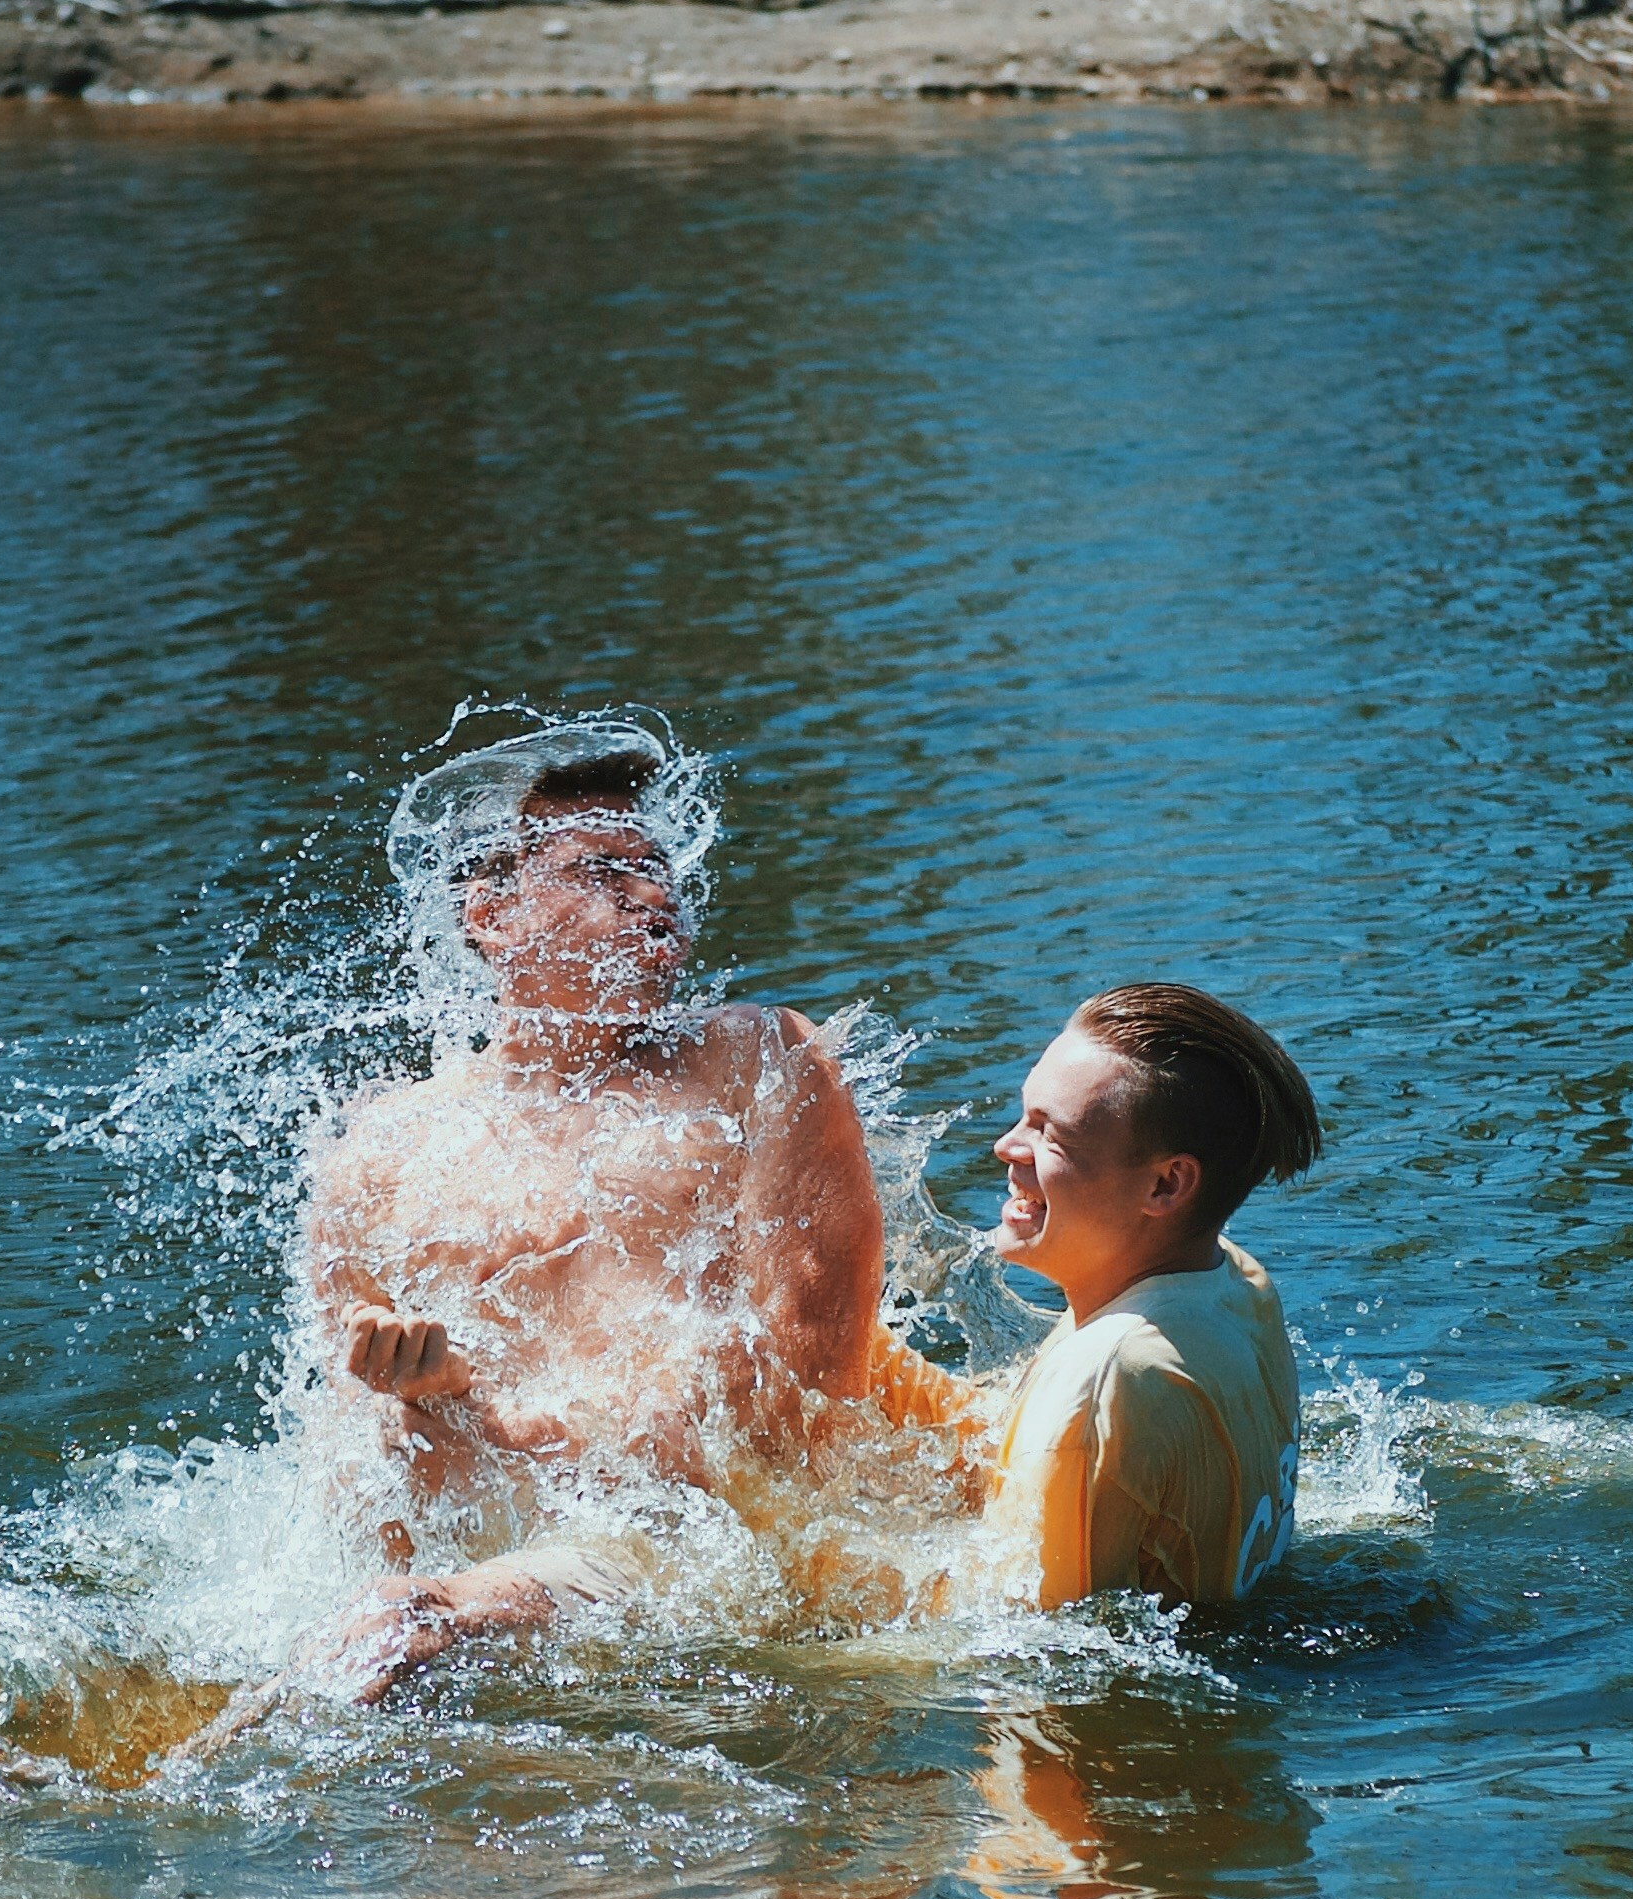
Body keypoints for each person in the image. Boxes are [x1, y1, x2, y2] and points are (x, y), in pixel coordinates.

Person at [245, 726, 888, 1704]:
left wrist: (499, 1415)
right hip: (472, 1578)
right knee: (346, 1624)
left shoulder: (756, 1064)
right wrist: (418, 1393)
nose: (651, 892)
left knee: (402, 1624)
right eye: (603, 870)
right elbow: (347, 1481)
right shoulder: (379, 1151)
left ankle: (82, 1792)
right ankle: (54, 1774)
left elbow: (803, 1406)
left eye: (656, 866)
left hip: (693, 1546)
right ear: (493, 914)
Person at [873, 982, 1318, 1611]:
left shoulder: (1110, 1380)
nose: (1005, 1147)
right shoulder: (1235, 1284)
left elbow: (1036, 1660)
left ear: (1167, 1184)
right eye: (1022, 1115)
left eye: (1049, 1134)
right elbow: (1005, 1446)